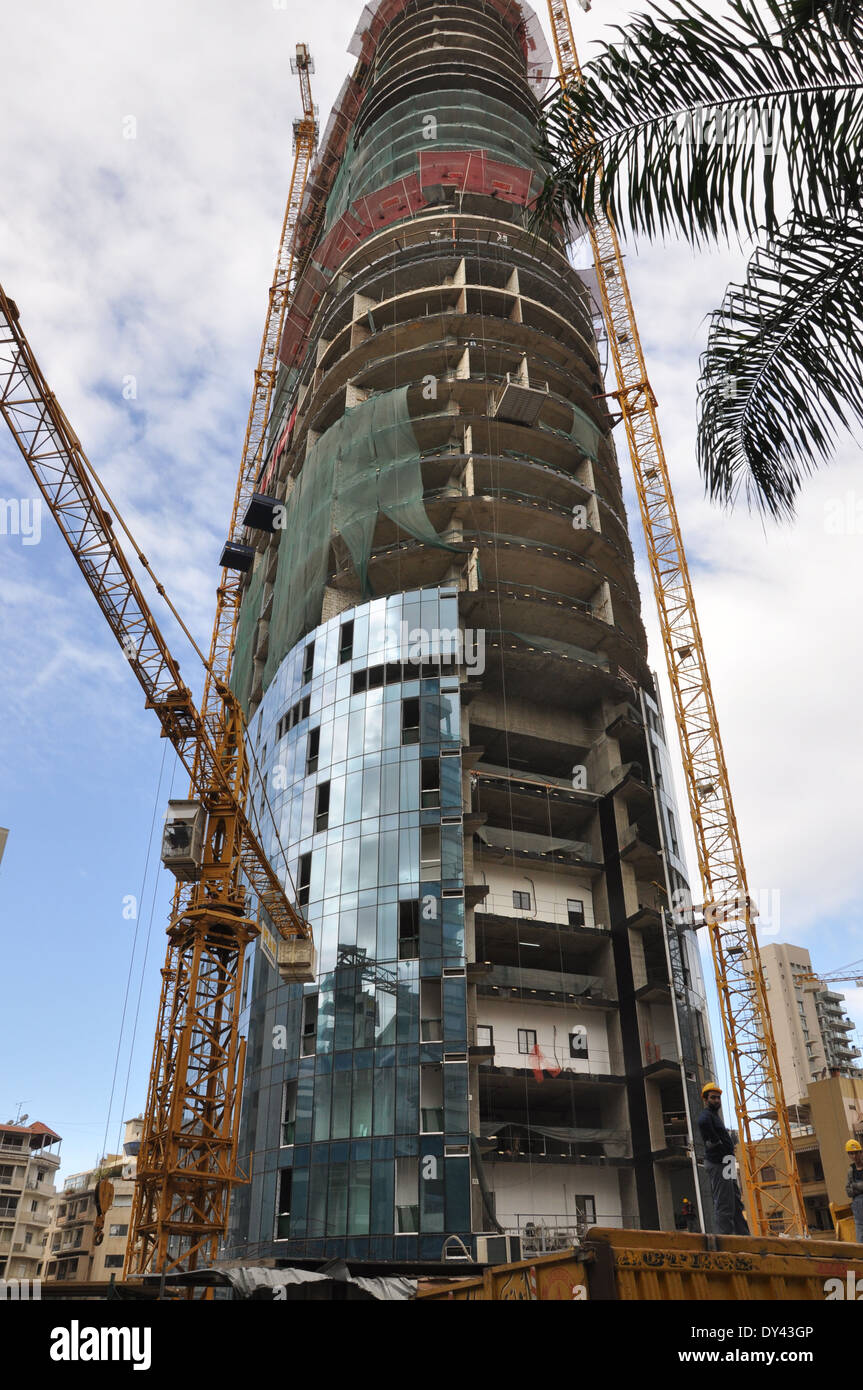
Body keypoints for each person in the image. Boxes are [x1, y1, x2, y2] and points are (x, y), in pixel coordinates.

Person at [697, 1081, 749, 1235]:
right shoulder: (706, 1115)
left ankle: (744, 1238)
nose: (717, 1101)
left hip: (727, 1163)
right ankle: (726, 1240)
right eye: (713, 1098)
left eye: (718, 1098)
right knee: (724, 1204)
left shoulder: (714, 1116)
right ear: (705, 1100)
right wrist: (715, 1141)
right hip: (718, 1163)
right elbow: (702, 1122)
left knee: (735, 1203)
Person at [845, 1138, 863, 1242]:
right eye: (851, 1154)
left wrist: (855, 1186)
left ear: (861, 1152)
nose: (854, 1156)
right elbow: (848, 1191)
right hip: (859, 1213)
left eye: (856, 1153)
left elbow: (852, 1188)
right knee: (860, 1240)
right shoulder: (851, 1171)